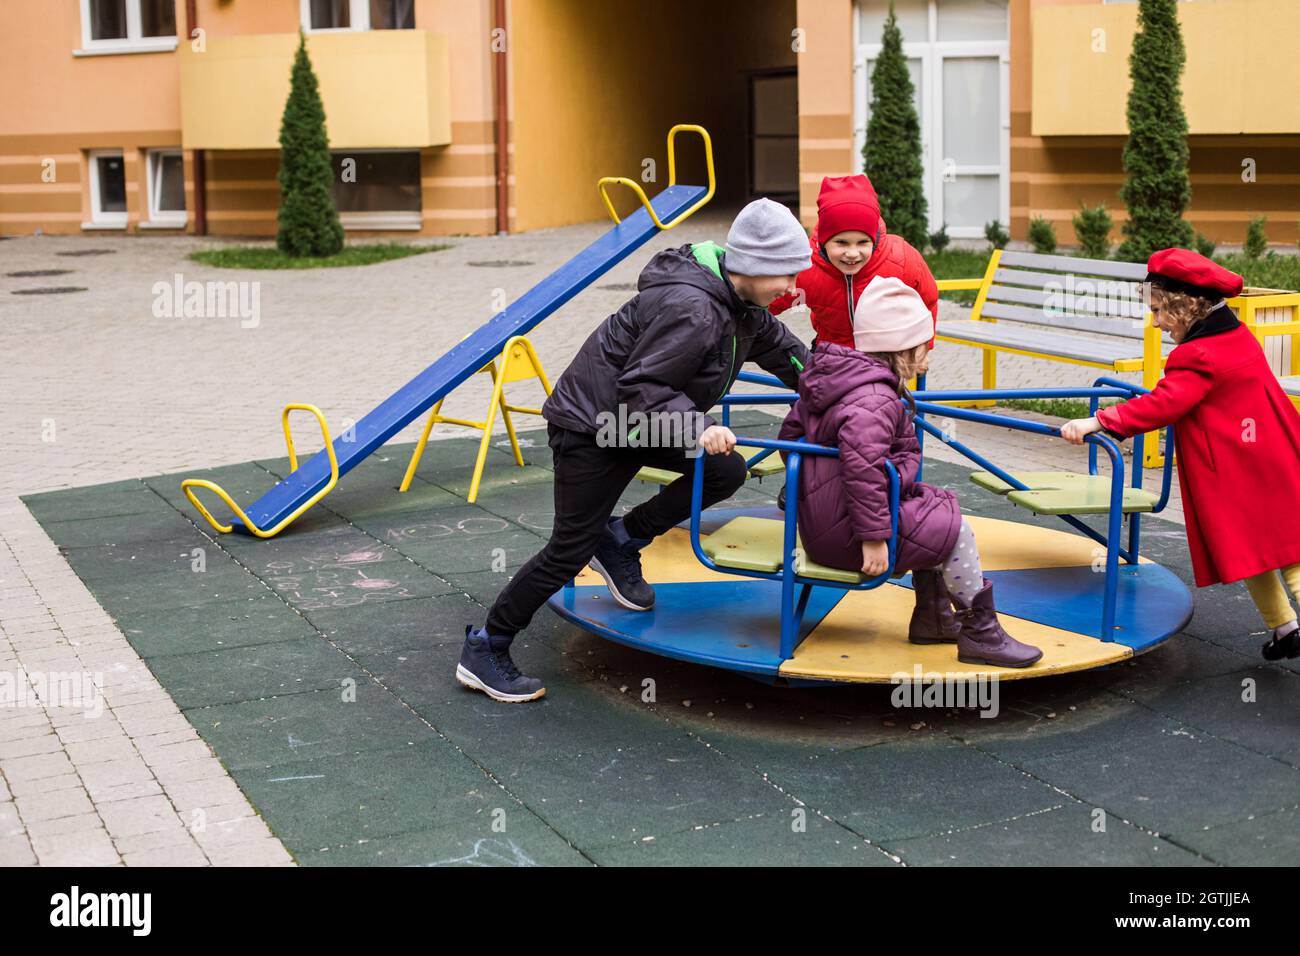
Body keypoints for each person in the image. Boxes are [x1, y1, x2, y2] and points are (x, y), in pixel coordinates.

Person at [457, 199, 813, 702]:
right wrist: (696, 424)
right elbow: (642, 388)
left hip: (637, 423)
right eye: (786, 275)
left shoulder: (743, 306)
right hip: (595, 426)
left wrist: (844, 385)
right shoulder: (693, 308)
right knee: (568, 548)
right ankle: (486, 646)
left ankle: (621, 540)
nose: (792, 288)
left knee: (723, 470)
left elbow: (787, 352)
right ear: (753, 266)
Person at [778, 275, 1043, 668]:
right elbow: (862, 470)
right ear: (902, 349)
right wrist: (872, 538)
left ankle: (934, 619)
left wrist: (817, 485)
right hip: (848, 535)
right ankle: (982, 635)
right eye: (926, 345)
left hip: (822, 523)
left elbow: (791, 438)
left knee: (935, 512)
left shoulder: (837, 382)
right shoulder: (874, 399)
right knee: (956, 532)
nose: (930, 355)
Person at [1060, 248, 1300, 661]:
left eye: (1159, 310)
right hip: (1268, 454)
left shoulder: (1197, 356)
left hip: (1240, 469)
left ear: (1186, 305)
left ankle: (1286, 626)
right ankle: (1286, 630)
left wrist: (1099, 421)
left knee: (1287, 555)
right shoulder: (1236, 335)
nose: (1154, 321)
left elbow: (1164, 405)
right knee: (1263, 548)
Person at [768, 174, 938, 350]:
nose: (852, 253)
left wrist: (923, 347)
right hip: (833, 352)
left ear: (874, 239)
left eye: (863, 242)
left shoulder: (900, 259)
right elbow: (769, 301)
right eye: (841, 243)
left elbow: (928, 300)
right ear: (825, 241)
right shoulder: (807, 266)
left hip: (886, 354)